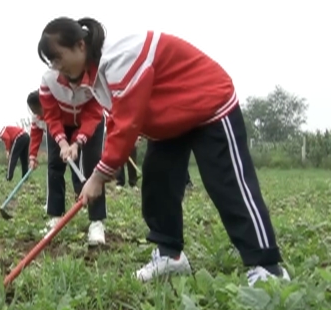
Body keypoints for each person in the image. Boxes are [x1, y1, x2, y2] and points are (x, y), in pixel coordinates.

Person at [36, 16, 288, 286]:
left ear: (80, 45)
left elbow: (127, 122)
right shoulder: (93, 73)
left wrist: (97, 177)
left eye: (58, 58)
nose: (57, 68)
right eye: (52, 63)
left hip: (208, 104)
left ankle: (267, 267)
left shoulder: (119, 57)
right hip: (171, 120)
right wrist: (105, 168)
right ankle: (170, 256)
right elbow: (121, 117)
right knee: (157, 184)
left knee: (228, 184)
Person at [28, 89, 107, 245]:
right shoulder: (49, 92)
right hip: (58, 123)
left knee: (92, 167)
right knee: (54, 166)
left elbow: (91, 117)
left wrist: (76, 143)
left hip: (89, 121)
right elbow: (40, 130)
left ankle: (97, 222)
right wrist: (62, 143)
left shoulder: (87, 90)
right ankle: (56, 216)